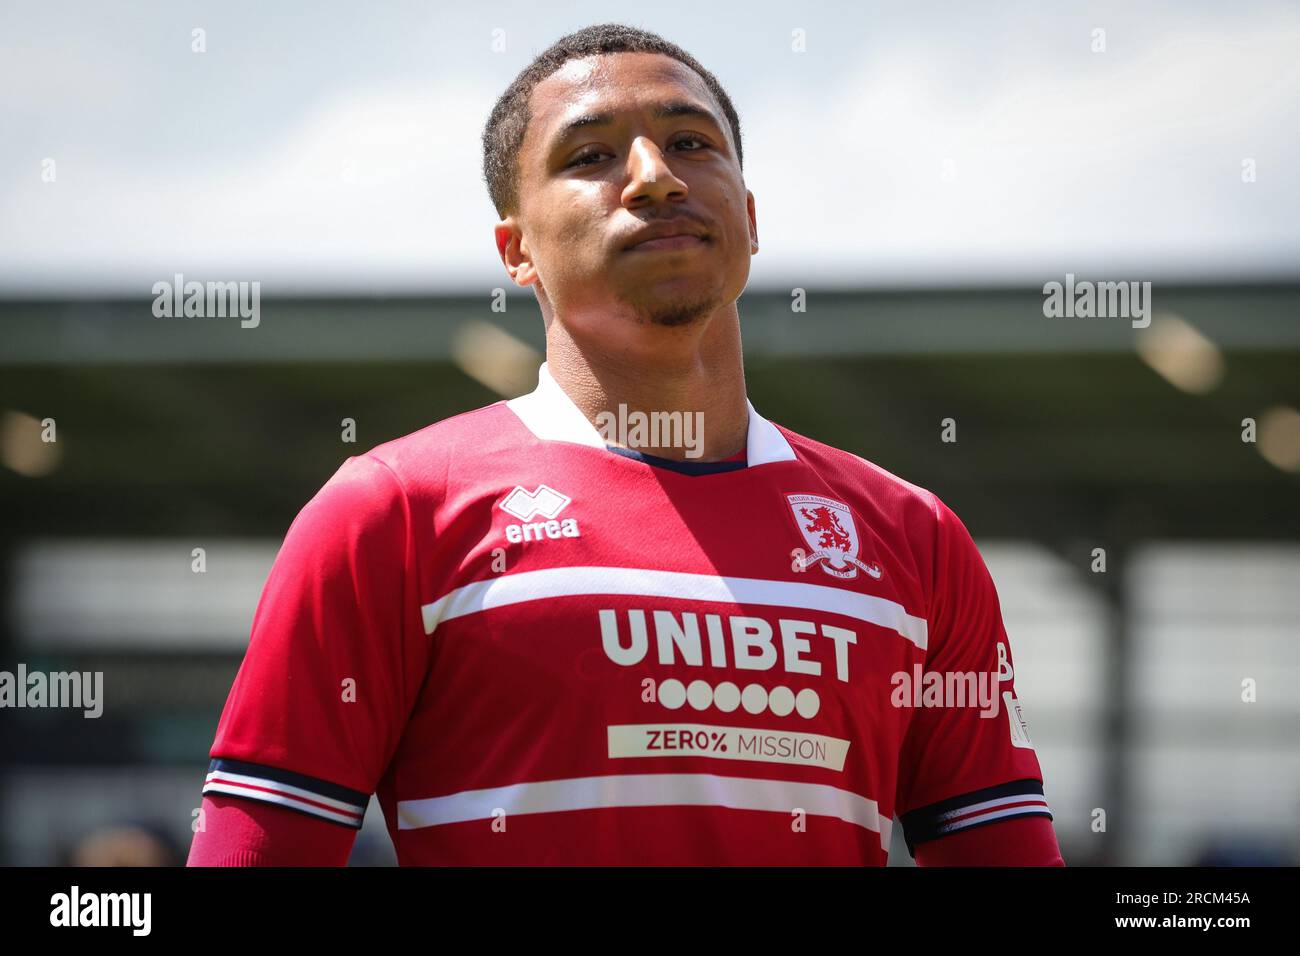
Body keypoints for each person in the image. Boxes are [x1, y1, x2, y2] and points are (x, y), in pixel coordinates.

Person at [188, 22, 1063, 866]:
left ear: (750, 219)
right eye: (590, 157)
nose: (654, 177)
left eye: (691, 143)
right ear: (516, 249)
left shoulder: (913, 538)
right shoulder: (391, 514)